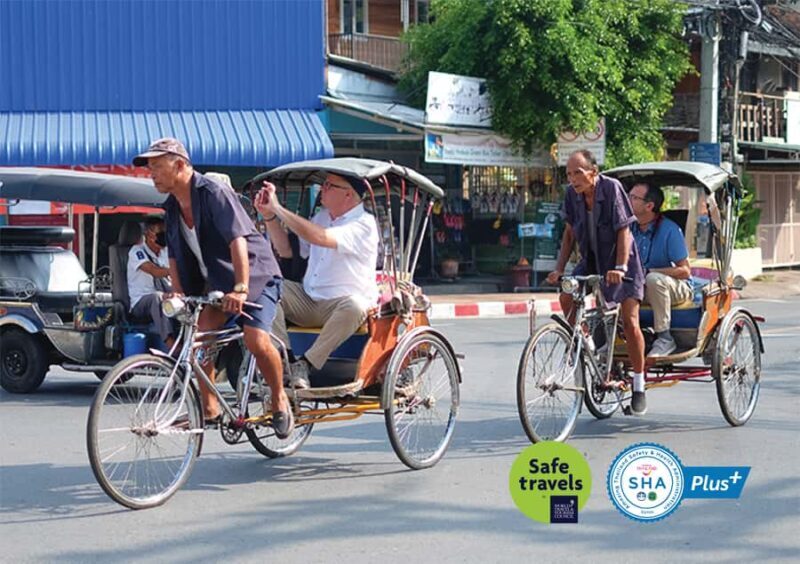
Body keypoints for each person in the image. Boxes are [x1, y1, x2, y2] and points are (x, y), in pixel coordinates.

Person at [132, 137, 294, 438]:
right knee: (199, 342)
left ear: (180, 165)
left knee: (256, 340)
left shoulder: (213, 192)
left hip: (256, 276)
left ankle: (279, 397)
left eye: (156, 166)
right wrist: (178, 292)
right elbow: (175, 254)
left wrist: (242, 287)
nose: (151, 173)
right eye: (149, 168)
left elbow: (237, 239)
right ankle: (209, 408)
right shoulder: (171, 206)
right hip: (217, 283)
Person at [546, 149, 648, 416]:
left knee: (630, 321)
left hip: (622, 264)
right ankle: (585, 341)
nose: (573, 179)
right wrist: (559, 270)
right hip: (591, 261)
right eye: (568, 174)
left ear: (593, 171)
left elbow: (624, 230)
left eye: (577, 173)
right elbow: (569, 234)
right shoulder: (572, 195)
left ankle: (639, 385)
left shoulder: (611, 189)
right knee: (566, 295)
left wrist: (621, 266)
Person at [254, 173, 379, 389]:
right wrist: (269, 216)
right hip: (309, 297)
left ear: (348, 194)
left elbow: (320, 237)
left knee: (356, 306)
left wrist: (279, 209)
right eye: (324, 184)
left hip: (342, 305)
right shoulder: (321, 217)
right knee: (266, 287)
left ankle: (306, 364)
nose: (323, 189)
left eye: (330, 186)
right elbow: (286, 250)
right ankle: (285, 361)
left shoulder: (364, 224)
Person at [629, 182, 693, 357]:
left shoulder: (670, 230)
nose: (628, 200)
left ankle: (665, 338)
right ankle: (611, 335)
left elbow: (685, 271)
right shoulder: (628, 228)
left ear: (649, 206)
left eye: (634, 198)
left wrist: (651, 272)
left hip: (675, 288)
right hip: (640, 288)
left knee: (653, 279)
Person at [127, 217, 175, 347]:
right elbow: (155, 271)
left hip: (165, 297)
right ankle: (169, 343)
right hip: (140, 303)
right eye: (159, 233)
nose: (163, 236)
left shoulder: (166, 251)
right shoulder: (137, 252)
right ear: (148, 234)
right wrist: (175, 271)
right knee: (157, 298)